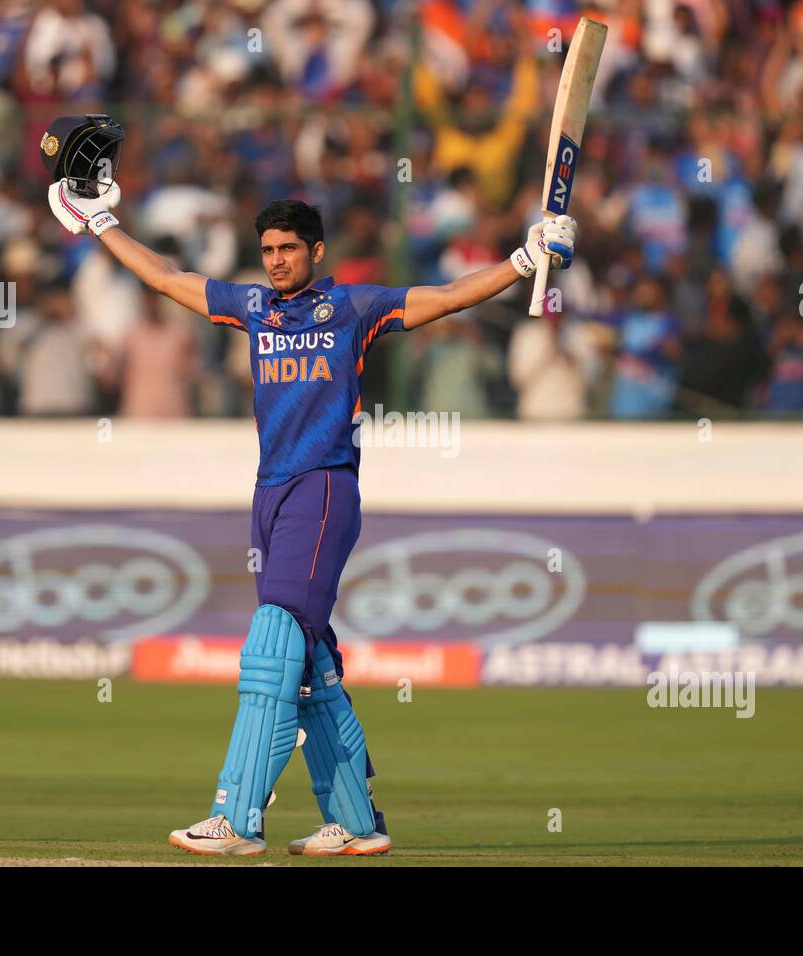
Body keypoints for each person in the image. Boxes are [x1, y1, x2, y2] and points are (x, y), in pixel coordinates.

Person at [48, 179, 576, 856]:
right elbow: (166, 276)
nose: (275, 261)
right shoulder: (252, 306)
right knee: (312, 659)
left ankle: (238, 818)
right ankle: (356, 821)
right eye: (266, 249)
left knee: (274, 642)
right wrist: (101, 224)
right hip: (269, 493)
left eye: (288, 249)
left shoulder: (351, 307)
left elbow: (444, 299)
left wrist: (522, 263)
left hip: (323, 489)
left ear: (316, 251)